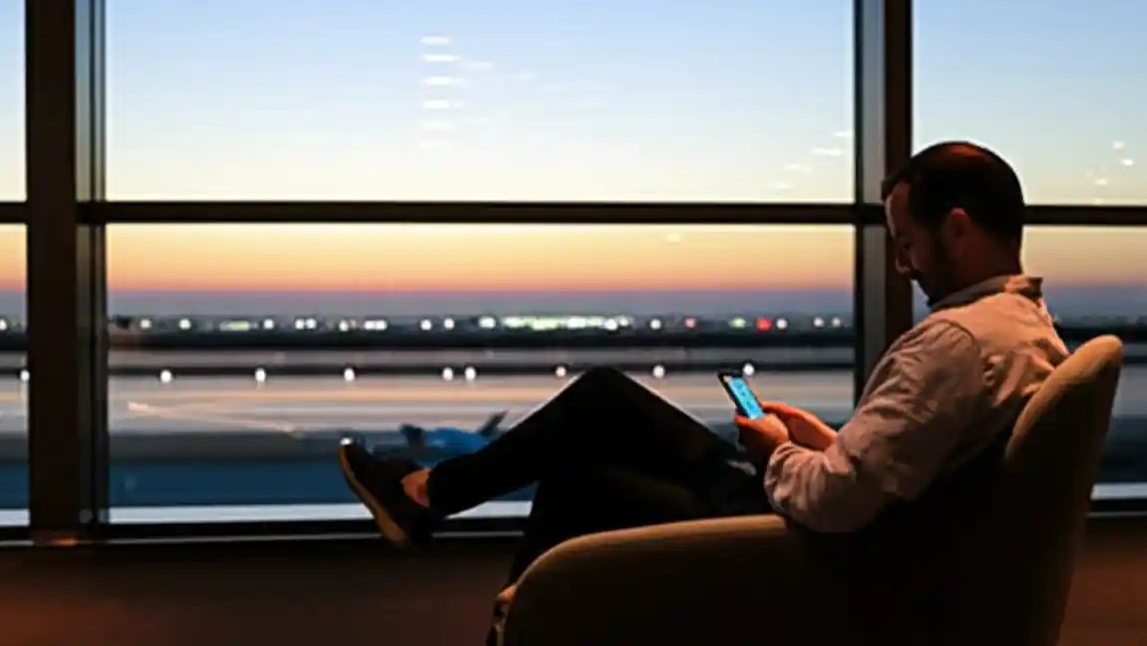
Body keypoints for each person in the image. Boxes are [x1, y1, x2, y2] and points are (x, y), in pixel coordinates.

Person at [337, 140, 1068, 632]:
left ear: (961, 231)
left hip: (816, 545)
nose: (904, 267)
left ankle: (456, 536)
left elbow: (835, 502)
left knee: (582, 470)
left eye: (908, 245)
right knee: (602, 404)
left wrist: (779, 455)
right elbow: (908, 463)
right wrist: (825, 441)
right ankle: (458, 536)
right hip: (877, 527)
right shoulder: (1027, 328)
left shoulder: (954, 341)